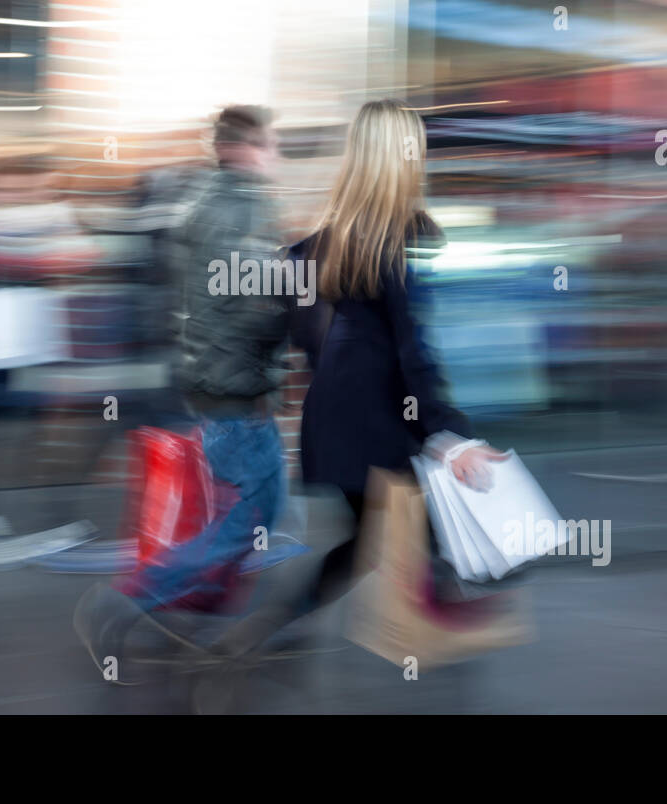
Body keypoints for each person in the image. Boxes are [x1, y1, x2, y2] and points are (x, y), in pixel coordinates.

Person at [212, 98, 509, 658]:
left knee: (371, 541)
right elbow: (412, 352)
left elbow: (298, 320)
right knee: (412, 529)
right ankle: (435, 612)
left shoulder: (329, 241)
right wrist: (450, 437)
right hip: (379, 423)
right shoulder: (392, 242)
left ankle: (263, 635)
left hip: (335, 421)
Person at [74, 105, 290, 681]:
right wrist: (307, 291)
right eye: (272, 143)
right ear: (245, 147)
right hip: (236, 389)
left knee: (246, 513)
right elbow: (258, 302)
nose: (277, 155)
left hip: (209, 382)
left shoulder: (199, 199)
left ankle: (200, 608)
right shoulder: (245, 204)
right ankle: (129, 600)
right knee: (250, 518)